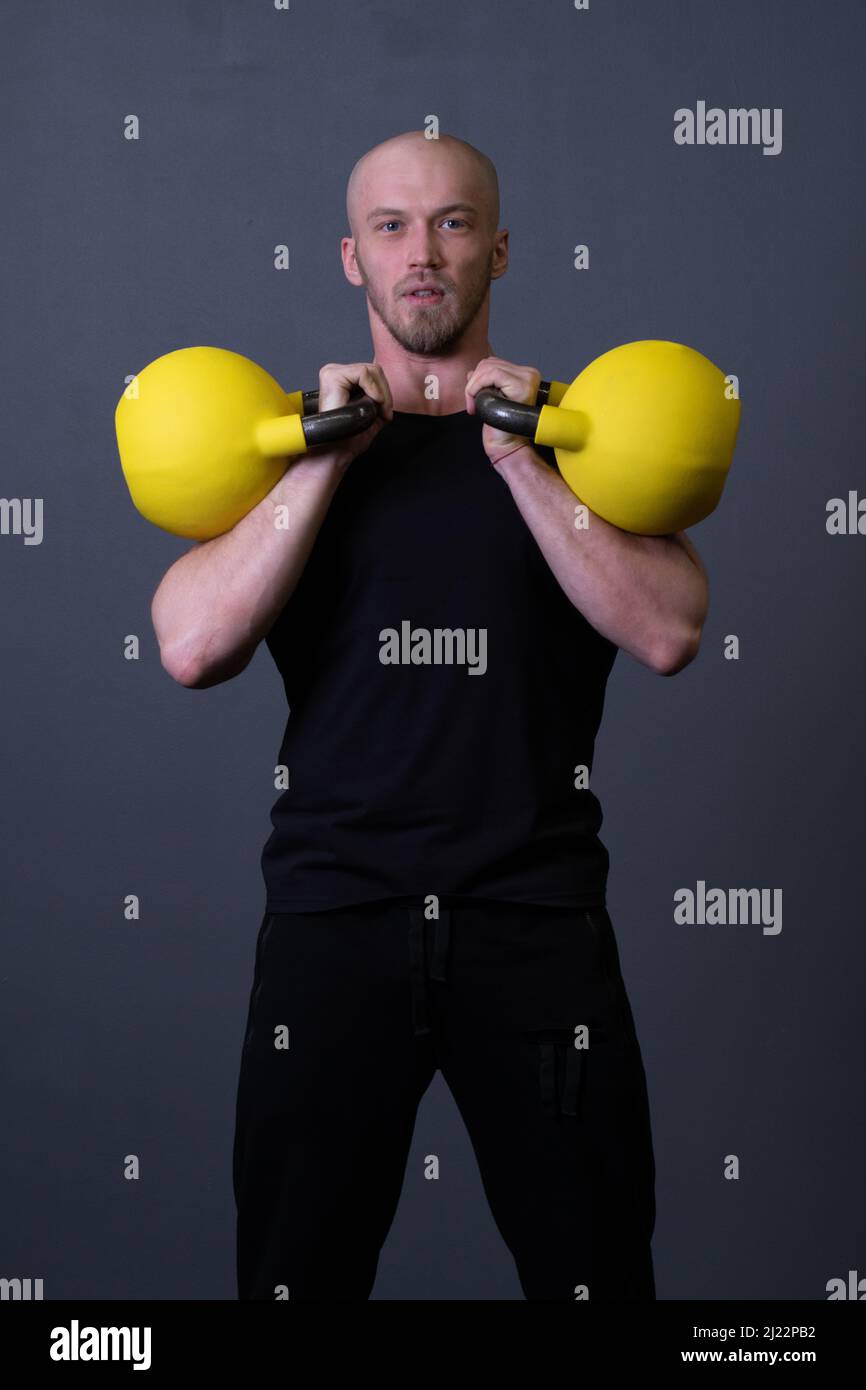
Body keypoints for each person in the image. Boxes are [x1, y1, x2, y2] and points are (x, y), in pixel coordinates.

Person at [151, 129, 709, 1300]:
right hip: (335, 916)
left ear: (496, 250)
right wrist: (317, 463)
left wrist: (519, 463)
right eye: (391, 227)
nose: (422, 253)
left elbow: (667, 631)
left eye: (451, 223)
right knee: (295, 1280)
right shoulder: (286, 454)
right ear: (349, 259)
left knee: (597, 1278)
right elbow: (192, 644)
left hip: (533, 920)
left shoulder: (575, 446)